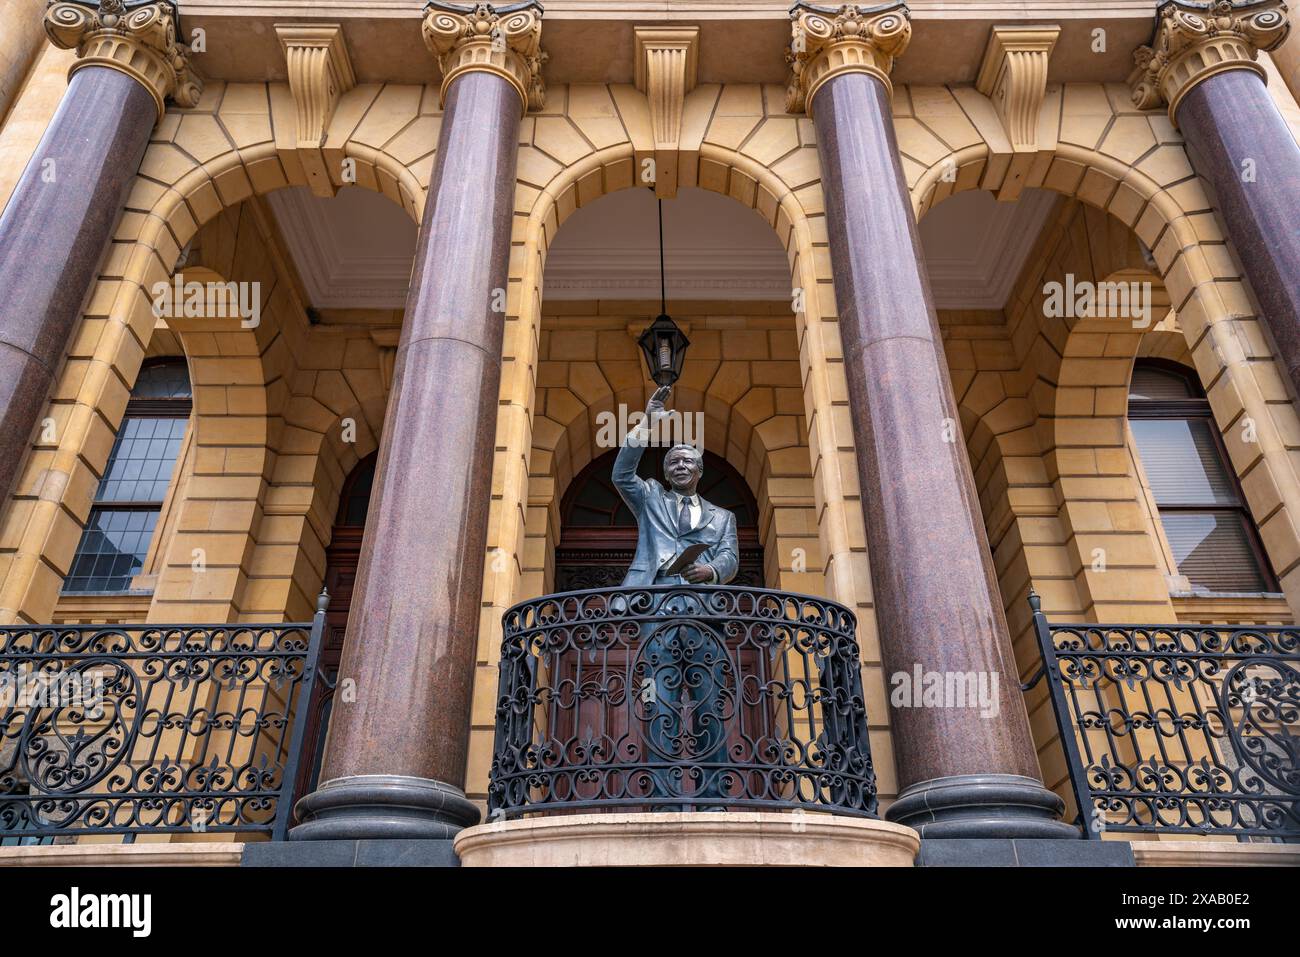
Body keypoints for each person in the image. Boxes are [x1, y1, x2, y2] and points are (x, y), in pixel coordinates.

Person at [612, 386, 740, 808]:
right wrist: (647, 420)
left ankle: (715, 796)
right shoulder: (649, 497)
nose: (680, 465)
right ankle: (666, 798)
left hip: (706, 617)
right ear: (666, 472)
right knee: (660, 704)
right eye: (673, 462)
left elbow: (730, 560)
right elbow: (621, 474)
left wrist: (711, 571)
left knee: (710, 704)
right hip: (657, 615)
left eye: (687, 461)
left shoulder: (723, 517)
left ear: (699, 470)